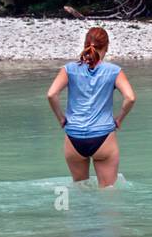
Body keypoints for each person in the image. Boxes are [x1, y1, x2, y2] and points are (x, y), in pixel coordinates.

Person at [45, 26, 136, 187]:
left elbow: (51, 94)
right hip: (103, 137)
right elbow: (130, 98)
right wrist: (119, 119)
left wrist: (60, 118)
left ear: (85, 44)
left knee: (80, 190)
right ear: (107, 47)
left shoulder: (69, 69)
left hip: (74, 137)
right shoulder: (113, 71)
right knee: (108, 193)